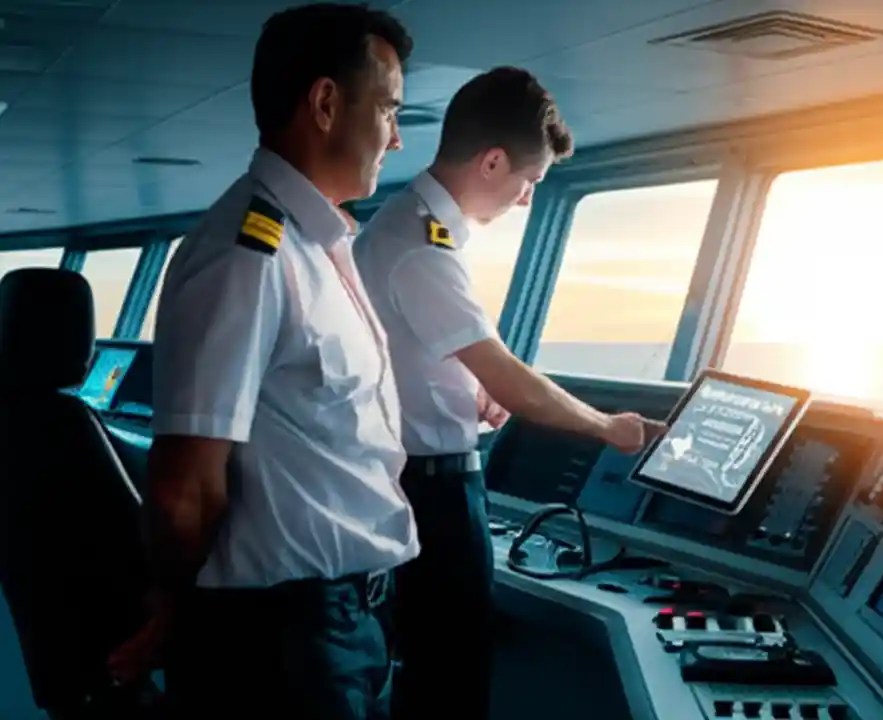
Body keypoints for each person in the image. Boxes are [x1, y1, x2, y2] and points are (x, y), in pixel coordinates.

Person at [353, 66, 666, 719]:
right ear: (492, 161)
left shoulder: (401, 225)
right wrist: (612, 429)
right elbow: (507, 375)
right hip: (433, 496)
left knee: (435, 672)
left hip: (413, 484)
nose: (526, 200)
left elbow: (412, 360)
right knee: (451, 681)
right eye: (530, 182)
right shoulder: (423, 247)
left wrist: (466, 390)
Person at [143, 4, 417, 718]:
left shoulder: (316, 247)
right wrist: (176, 613)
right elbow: (184, 487)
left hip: (341, 625)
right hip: (282, 644)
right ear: (326, 103)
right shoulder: (248, 254)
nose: (396, 137)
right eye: (388, 109)